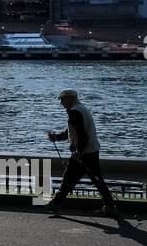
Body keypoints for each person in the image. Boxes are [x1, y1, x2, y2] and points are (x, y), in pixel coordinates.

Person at [45, 89, 121, 219]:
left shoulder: (75, 112)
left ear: (70, 99)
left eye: (62, 100)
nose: (61, 103)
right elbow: (72, 132)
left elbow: (82, 135)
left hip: (84, 152)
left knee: (69, 178)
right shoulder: (80, 109)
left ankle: (56, 203)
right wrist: (57, 137)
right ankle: (110, 207)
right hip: (91, 150)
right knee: (95, 180)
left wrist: (78, 152)